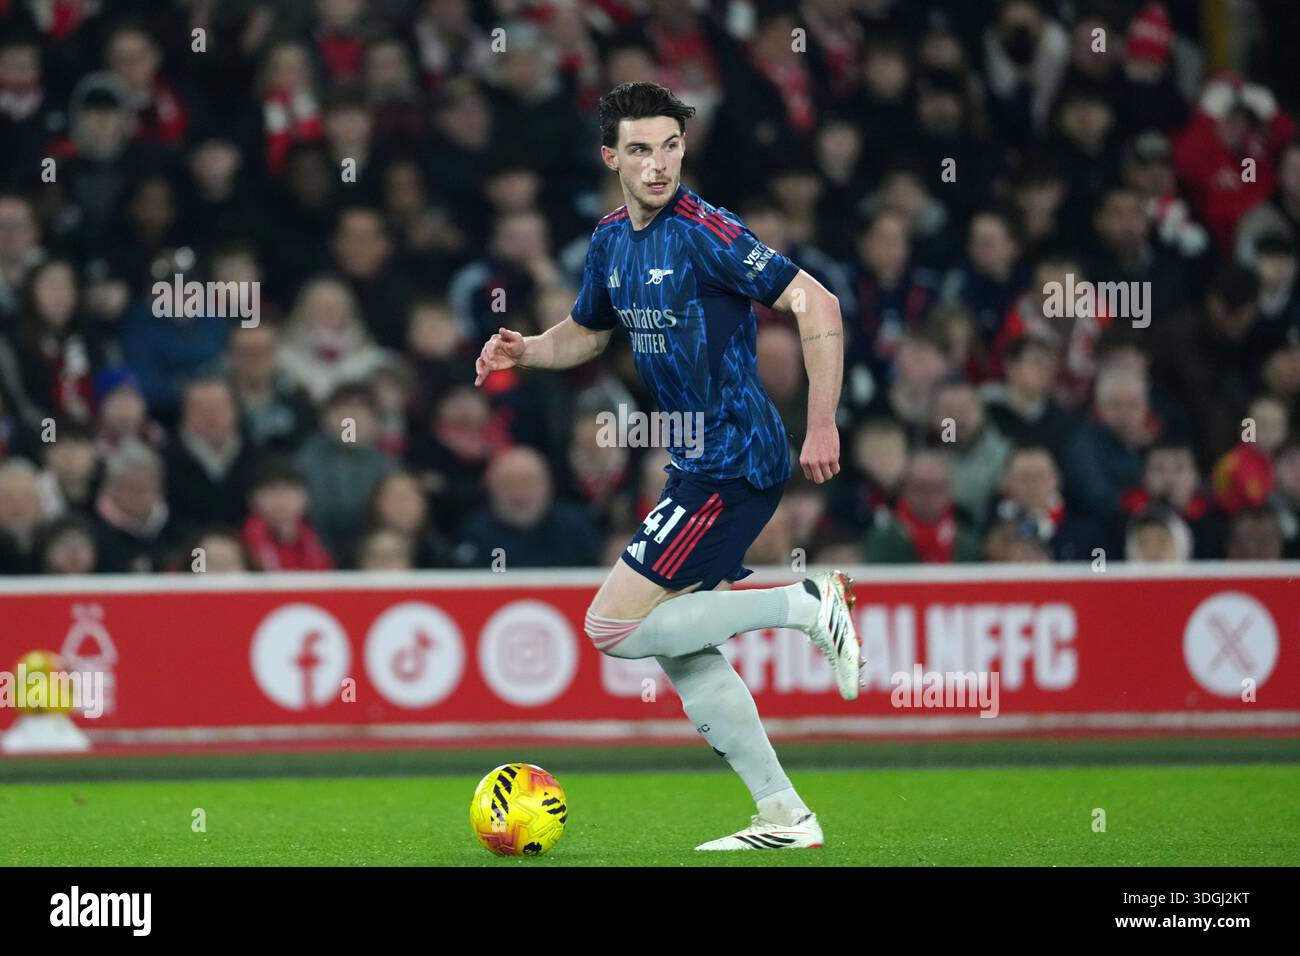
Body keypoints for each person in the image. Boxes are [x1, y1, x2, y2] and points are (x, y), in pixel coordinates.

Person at [473, 82, 858, 852]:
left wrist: (820, 422)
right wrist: (527, 349)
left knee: (612, 626)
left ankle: (808, 603)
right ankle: (783, 813)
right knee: (681, 649)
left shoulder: (707, 230)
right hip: (697, 463)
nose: (658, 164)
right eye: (641, 149)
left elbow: (818, 305)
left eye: (671, 146)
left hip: (734, 456)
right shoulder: (612, 239)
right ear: (611, 156)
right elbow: (586, 334)